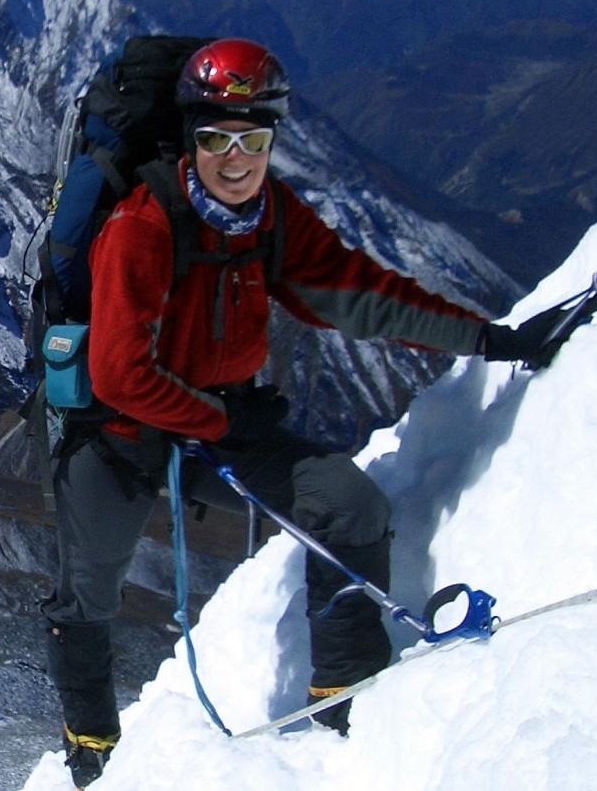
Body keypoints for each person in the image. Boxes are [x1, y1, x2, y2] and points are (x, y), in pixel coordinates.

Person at [39, 38, 563, 787]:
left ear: (273, 141)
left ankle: (345, 703)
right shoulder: (140, 228)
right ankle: (93, 750)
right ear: (191, 138)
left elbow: (359, 293)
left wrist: (489, 338)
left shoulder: (270, 219)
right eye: (217, 138)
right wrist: (213, 427)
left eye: (253, 140)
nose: (235, 158)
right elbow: (119, 373)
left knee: (348, 508)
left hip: (221, 420)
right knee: (88, 593)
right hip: (119, 431)